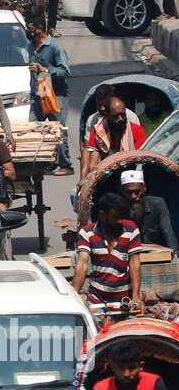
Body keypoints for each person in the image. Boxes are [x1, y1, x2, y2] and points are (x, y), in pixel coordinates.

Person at [72, 191, 145, 319]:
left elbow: (135, 264)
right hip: (96, 299)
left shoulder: (131, 229)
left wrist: (136, 297)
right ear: (102, 215)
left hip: (124, 300)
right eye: (115, 218)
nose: (120, 221)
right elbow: (82, 265)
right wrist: (72, 298)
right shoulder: (87, 232)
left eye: (121, 217)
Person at [26, 14, 73, 172]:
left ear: (40, 29)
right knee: (33, 127)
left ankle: (66, 164)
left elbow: (65, 72)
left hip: (56, 94)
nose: (29, 33)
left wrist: (45, 70)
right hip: (38, 94)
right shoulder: (30, 47)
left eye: (31, 30)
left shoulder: (54, 47)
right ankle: (38, 162)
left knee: (57, 128)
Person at [81, 95, 147, 180]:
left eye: (123, 115)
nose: (120, 119)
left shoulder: (136, 130)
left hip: (131, 176)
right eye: (115, 116)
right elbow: (92, 163)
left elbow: (140, 159)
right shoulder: (98, 132)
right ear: (106, 115)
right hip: (105, 177)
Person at [119, 166, 178, 253]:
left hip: (155, 255)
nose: (133, 196)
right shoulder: (117, 207)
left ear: (144, 188)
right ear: (122, 191)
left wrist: (175, 256)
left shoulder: (158, 204)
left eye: (137, 191)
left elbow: (168, 234)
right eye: (129, 192)